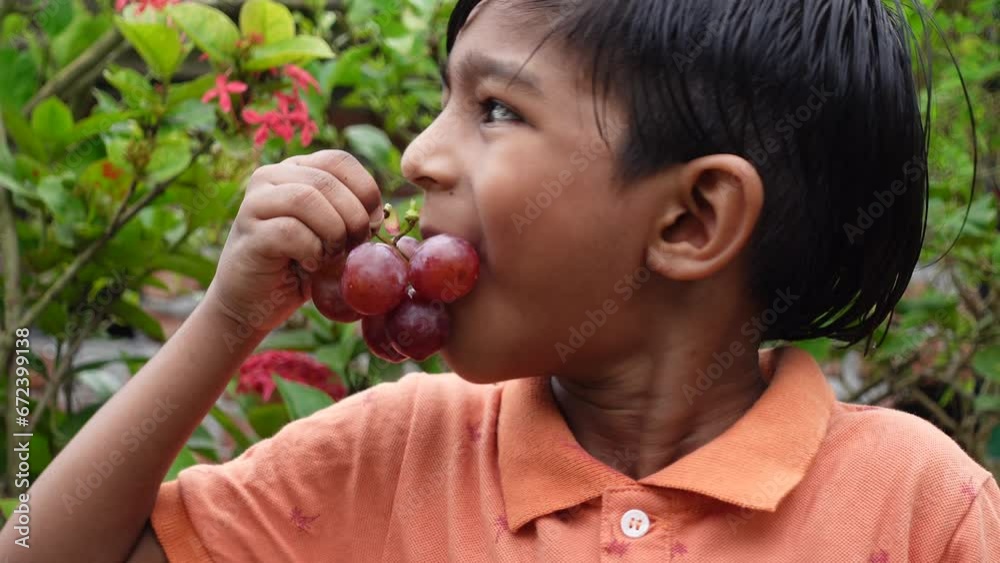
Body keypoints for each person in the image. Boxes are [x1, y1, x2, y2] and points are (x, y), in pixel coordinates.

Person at [4, 0, 997, 561]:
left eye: (495, 110)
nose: (419, 157)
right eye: (444, 97)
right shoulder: (386, 454)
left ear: (690, 220)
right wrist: (223, 323)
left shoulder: (918, 505)